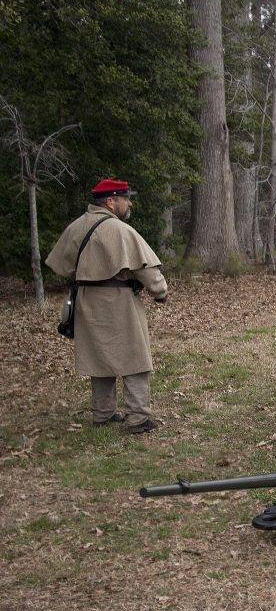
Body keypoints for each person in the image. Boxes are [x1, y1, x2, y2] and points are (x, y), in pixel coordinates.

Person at [46, 179, 168, 434]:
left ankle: (103, 414)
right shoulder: (120, 230)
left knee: (98, 356)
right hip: (119, 302)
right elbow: (145, 269)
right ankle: (138, 418)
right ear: (111, 201)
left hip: (87, 302)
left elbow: (62, 266)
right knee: (135, 357)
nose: (129, 202)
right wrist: (160, 292)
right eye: (125, 198)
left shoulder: (76, 227)